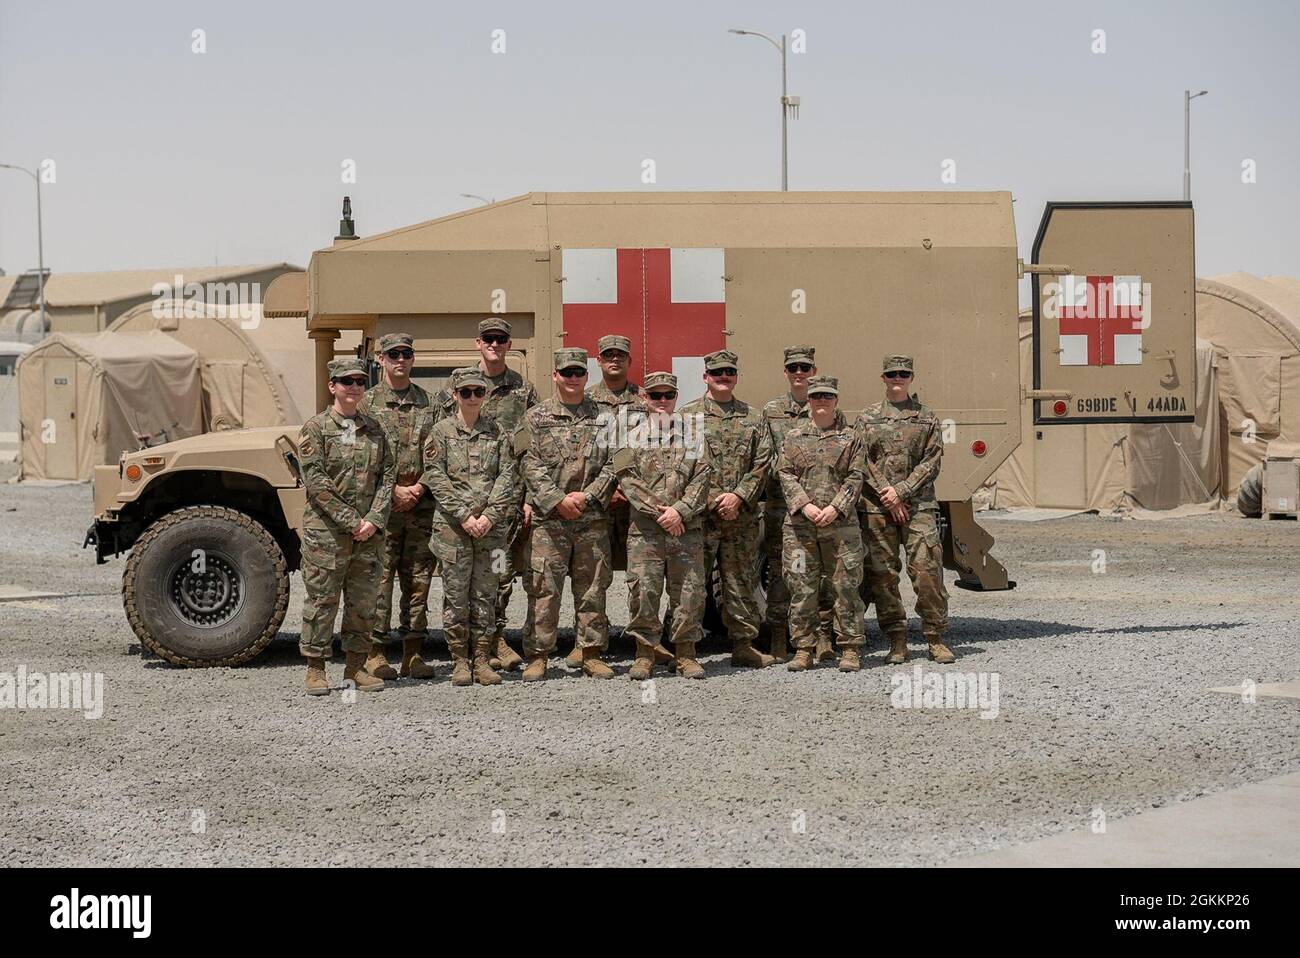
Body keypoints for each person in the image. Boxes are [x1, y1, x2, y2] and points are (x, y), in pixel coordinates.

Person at [434, 317, 539, 672]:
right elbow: (436, 449)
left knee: (499, 574)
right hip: (459, 513)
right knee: (460, 585)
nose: (495, 344)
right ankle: (473, 652)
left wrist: (523, 499)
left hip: (502, 506)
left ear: (509, 344)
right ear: (478, 342)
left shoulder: (522, 391)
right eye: (489, 338)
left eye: (501, 339)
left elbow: (524, 451)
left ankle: (494, 639)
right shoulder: (455, 385)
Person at [517, 348, 618, 680]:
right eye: (567, 373)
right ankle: (538, 655)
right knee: (544, 588)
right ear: (555, 376)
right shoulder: (534, 417)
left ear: (587, 376)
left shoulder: (605, 417)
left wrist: (587, 496)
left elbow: (617, 463)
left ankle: (590, 653)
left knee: (592, 588)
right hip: (550, 520)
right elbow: (527, 464)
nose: (573, 379)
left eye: (579, 373)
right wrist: (558, 499)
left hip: (591, 518)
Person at [297, 357, 396, 695]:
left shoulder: (375, 429)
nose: (354, 387)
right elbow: (317, 483)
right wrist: (354, 521)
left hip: (369, 534)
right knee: (322, 601)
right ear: (332, 386)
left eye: (359, 381)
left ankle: (355, 668)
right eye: (346, 381)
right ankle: (315, 669)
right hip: (327, 534)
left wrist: (374, 519)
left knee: (364, 603)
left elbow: (387, 478)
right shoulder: (316, 429)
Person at [419, 367, 520, 687]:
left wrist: (489, 516)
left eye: (478, 392)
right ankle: (460, 660)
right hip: (453, 529)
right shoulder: (440, 432)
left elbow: (509, 475)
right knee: (456, 596)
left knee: (486, 594)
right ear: (454, 395)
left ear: (486, 395)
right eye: (466, 392)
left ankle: (481, 658)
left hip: (491, 530)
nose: (473, 397)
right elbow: (435, 476)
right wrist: (465, 515)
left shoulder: (499, 433)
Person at [679, 350, 778, 669]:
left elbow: (762, 463)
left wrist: (738, 496)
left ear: (736, 376)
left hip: (741, 517)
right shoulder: (687, 416)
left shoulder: (753, 416)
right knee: (691, 583)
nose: (724, 376)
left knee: (741, 581)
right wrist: (709, 499)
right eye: (717, 372)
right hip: (700, 518)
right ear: (706, 376)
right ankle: (685, 650)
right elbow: (680, 466)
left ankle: (744, 645)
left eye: (729, 372)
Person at [854, 355, 954, 664]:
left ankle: (935, 637)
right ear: (883, 378)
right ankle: (896, 640)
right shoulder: (867, 417)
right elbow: (861, 460)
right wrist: (889, 494)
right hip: (877, 508)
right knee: (882, 576)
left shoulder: (927, 417)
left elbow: (932, 461)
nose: (897, 378)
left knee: (927, 572)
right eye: (892, 374)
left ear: (911, 377)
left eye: (903, 373)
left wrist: (902, 492)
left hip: (919, 506)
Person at [613, 371, 711, 680]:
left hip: (685, 529)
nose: (662, 401)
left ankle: (685, 654)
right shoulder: (628, 437)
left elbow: (703, 477)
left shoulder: (694, 436)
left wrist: (680, 511)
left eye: (668, 395)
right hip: (646, 532)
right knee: (644, 592)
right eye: (656, 396)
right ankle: (645, 653)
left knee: (689, 593)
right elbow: (628, 480)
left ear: (676, 398)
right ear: (645, 399)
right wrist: (662, 514)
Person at [358, 333, 437, 681]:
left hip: (421, 505)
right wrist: (392, 492)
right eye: (393, 354)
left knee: (418, 580)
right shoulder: (366, 404)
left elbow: (441, 454)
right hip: (383, 508)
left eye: (406, 353)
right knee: (380, 580)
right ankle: (375, 653)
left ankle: (413, 653)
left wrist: (419, 487)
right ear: (380, 358)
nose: (400, 360)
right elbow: (361, 459)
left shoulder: (429, 403)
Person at [776, 376, 867, 672]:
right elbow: (785, 474)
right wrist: (806, 505)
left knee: (845, 586)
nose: (822, 401)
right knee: (802, 586)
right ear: (809, 401)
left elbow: (856, 477)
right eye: (816, 396)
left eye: (827, 396)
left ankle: (850, 648)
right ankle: (804, 648)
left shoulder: (852, 438)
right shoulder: (793, 436)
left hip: (840, 528)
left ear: (836, 399)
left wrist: (835, 507)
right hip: (801, 530)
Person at [762, 345, 836, 663]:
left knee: (822, 574)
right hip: (784, 508)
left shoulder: (824, 407)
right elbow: (767, 457)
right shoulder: (772, 411)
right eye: (793, 368)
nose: (799, 373)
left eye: (805, 367)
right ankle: (780, 637)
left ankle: (822, 637)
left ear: (813, 370)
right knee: (785, 573)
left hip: (822, 508)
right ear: (786, 372)